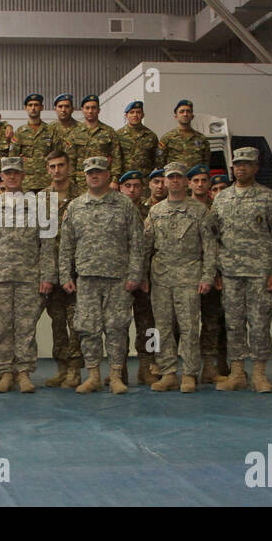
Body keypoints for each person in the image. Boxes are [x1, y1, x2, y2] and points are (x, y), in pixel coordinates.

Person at [58, 156, 144, 394]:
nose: (94, 176)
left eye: (99, 172)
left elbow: (137, 242)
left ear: (108, 175)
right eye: (89, 173)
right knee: (88, 328)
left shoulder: (124, 205)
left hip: (118, 278)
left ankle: (116, 376)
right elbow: (66, 245)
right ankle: (93, 375)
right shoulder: (75, 206)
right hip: (86, 278)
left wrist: (136, 275)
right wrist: (65, 275)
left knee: (117, 327)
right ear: (85, 177)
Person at [210, 147, 272, 393]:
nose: (240, 168)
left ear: (256, 168)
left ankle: (259, 374)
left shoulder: (268, 198)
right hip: (231, 274)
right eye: (237, 164)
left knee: (259, 324)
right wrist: (216, 272)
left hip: (260, 274)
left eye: (246, 164)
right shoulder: (222, 199)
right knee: (234, 324)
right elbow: (213, 239)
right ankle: (236, 373)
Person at [0, 157, 55, 393]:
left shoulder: (38, 208)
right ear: (1, 176)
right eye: (7, 173)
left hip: (28, 277)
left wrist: (47, 276)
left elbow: (48, 245)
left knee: (26, 327)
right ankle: (5, 372)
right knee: (2, 327)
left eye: (16, 173)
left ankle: (24, 373)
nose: (11, 177)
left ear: (22, 176)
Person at [142, 162, 216, 392]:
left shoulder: (200, 211)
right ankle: (169, 372)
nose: (174, 181)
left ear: (186, 182)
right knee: (162, 327)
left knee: (189, 327)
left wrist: (207, 276)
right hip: (161, 277)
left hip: (189, 276)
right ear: (164, 181)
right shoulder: (155, 211)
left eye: (179, 177)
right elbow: (146, 247)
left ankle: (190, 374)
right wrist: (143, 275)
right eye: (170, 177)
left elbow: (210, 248)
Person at [43, 150, 84, 387]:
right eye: (52, 166)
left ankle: (75, 370)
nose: (57, 170)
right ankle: (61, 367)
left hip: (76, 269)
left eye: (61, 165)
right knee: (56, 321)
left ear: (69, 167)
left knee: (75, 321)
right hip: (51, 269)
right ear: (47, 169)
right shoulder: (41, 198)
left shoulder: (82, 196)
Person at [119, 170, 158, 385]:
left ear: (142, 188)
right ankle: (120, 368)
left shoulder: (152, 211)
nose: (132, 190)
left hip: (146, 279)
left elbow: (152, 246)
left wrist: (145, 275)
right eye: (128, 186)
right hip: (121, 278)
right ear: (121, 188)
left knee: (150, 325)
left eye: (136, 185)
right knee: (118, 325)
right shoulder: (114, 210)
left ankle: (148, 366)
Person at [189, 163, 223, 382]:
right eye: (196, 180)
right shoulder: (182, 207)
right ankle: (186, 369)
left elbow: (222, 243)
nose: (200, 184)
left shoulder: (218, 209)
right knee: (186, 324)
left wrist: (216, 273)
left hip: (213, 274)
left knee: (212, 322)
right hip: (187, 274)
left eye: (204, 180)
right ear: (189, 183)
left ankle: (210, 367)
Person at [63, 95, 121, 193]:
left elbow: (117, 157)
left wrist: (115, 181)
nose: (90, 111)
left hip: (104, 181)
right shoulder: (73, 133)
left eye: (93, 108)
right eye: (87, 108)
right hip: (81, 182)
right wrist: (71, 182)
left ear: (99, 110)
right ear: (82, 110)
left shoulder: (109, 132)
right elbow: (70, 161)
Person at [157, 99, 209, 171]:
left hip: (195, 179)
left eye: (188, 111)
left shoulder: (202, 139)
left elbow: (206, 161)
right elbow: (159, 161)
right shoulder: (167, 138)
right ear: (176, 116)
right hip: (175, 178)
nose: (185, 114)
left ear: (192, 116)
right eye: (181, 112)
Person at [118, 101, 158, 181]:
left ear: (143, 115)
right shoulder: (118, 135)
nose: (135, 115)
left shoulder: (151, 136)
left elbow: (156, 160)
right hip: (124, 180)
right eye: (132, 112)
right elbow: (115, 159)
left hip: (144, 180)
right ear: (126, 115)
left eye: (138, 112)